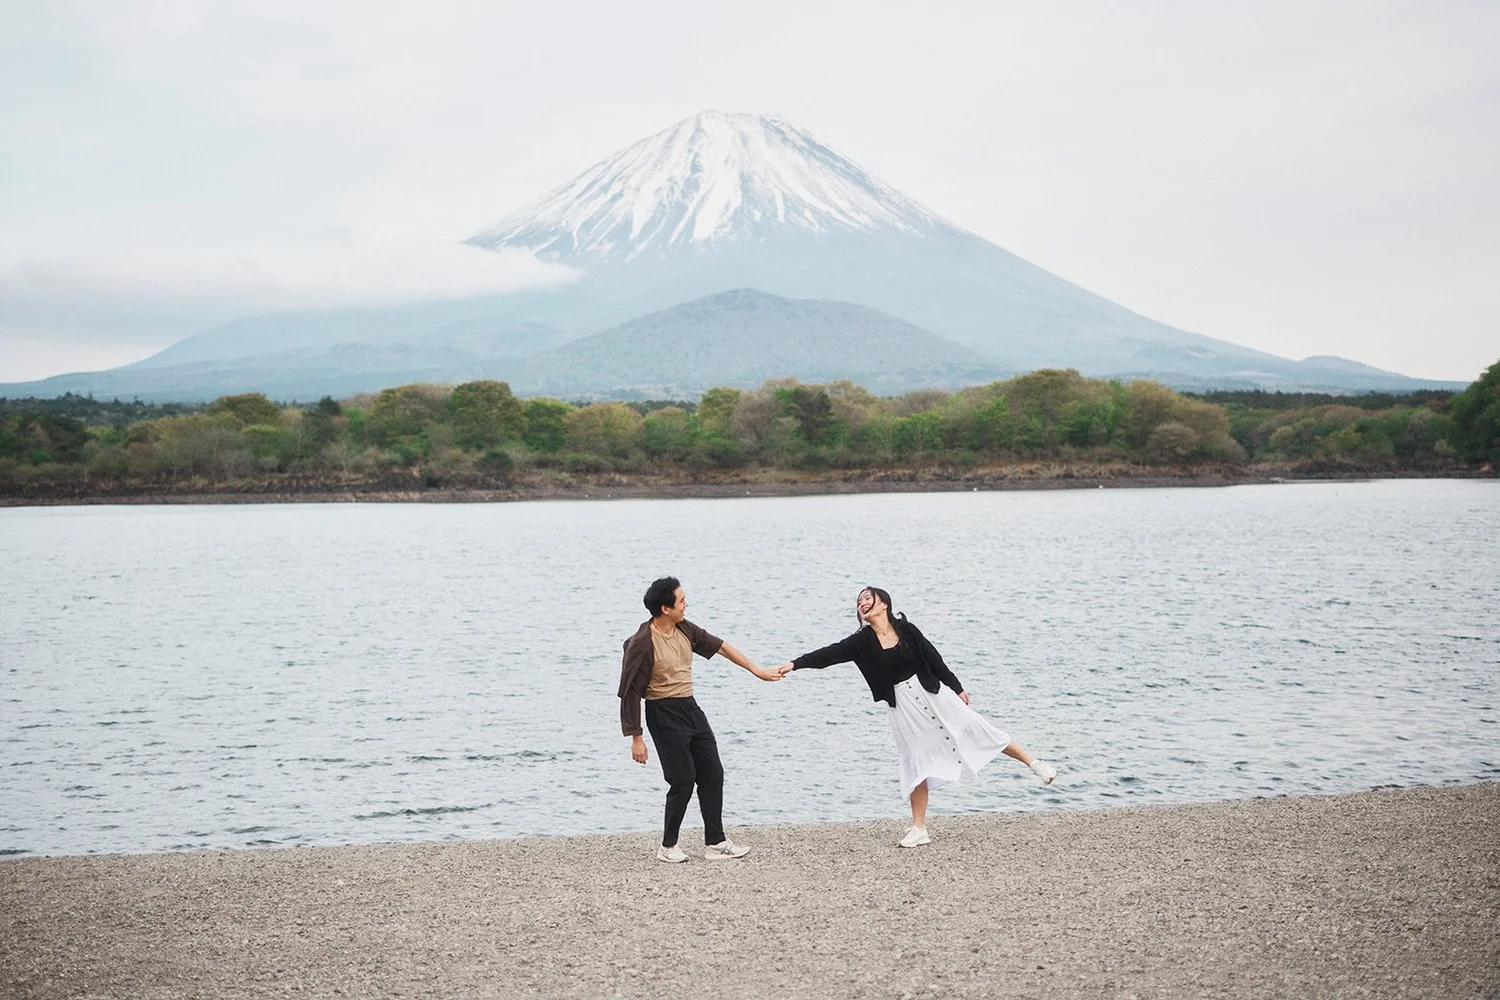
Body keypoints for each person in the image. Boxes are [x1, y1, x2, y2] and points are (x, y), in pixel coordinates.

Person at [774, 586, 1055, 848]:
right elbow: (829, 654)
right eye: (858, 603)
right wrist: (795, 664)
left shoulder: (907, 629)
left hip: (932, 692)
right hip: (903, 706)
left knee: (977, 729)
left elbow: (933, 658)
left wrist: (957, 687)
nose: (862, 604)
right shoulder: (861, 642)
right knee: (916, 760)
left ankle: (1034, 763)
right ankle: (919, 829)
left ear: (883, 603)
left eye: (867, 598)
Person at [619, 576, 781, 863]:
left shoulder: (684, 629)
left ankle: (716, 842)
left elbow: (720, 646)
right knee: (682, 779)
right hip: (662, 712)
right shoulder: (643, 643)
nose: (686, 604)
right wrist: (636, 737)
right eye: (681, 601)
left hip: (690, 708)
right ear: (665, 608)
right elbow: (630, 690)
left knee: (712, 772)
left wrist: (756, 670)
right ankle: (668, 846)